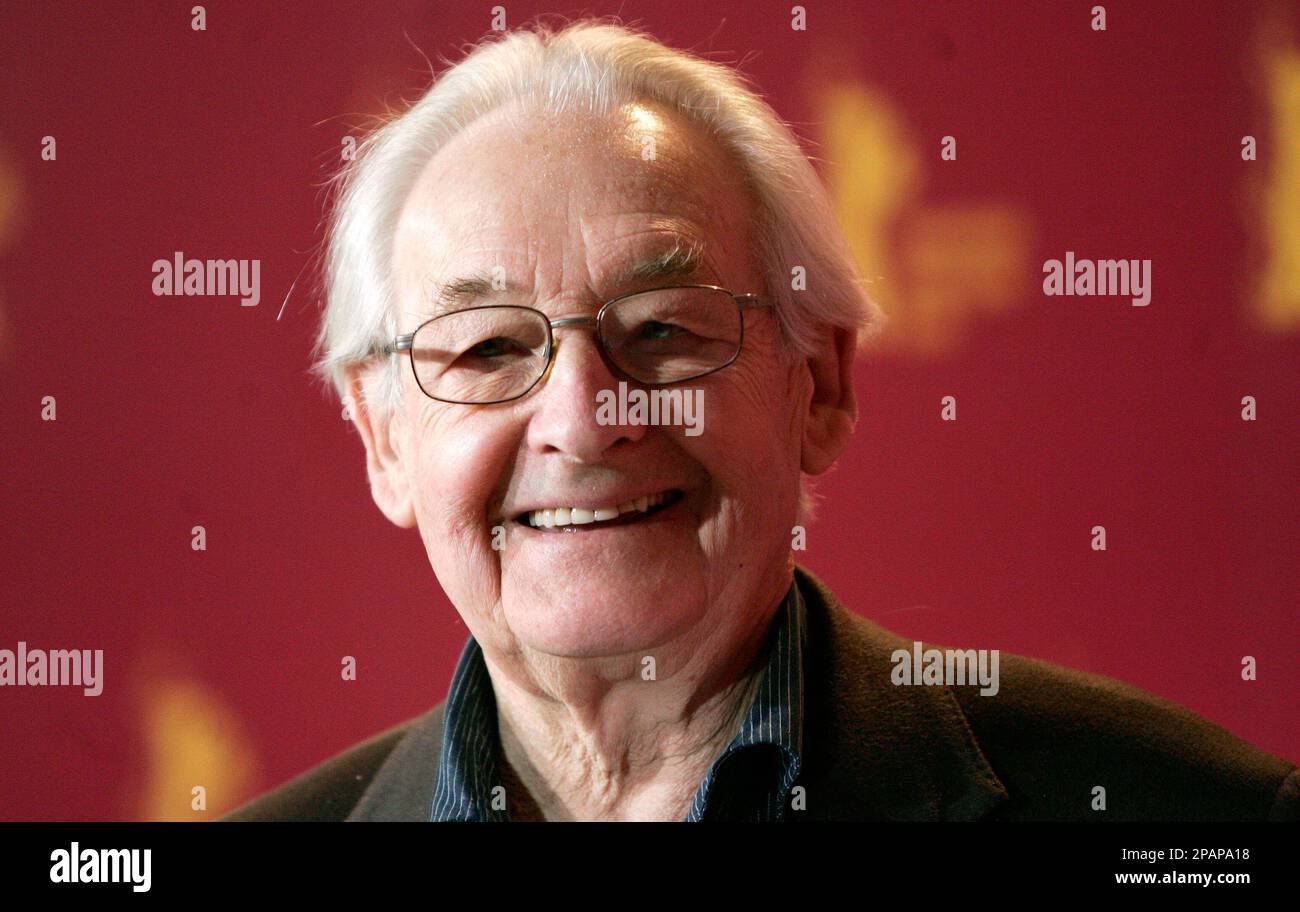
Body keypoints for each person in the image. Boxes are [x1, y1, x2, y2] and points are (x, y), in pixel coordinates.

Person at [223, 20, 1297, 822]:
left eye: (663, 329)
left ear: (818, 385)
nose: (585, 419)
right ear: (383, 437)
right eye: (489, 348)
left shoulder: (1192, 819)